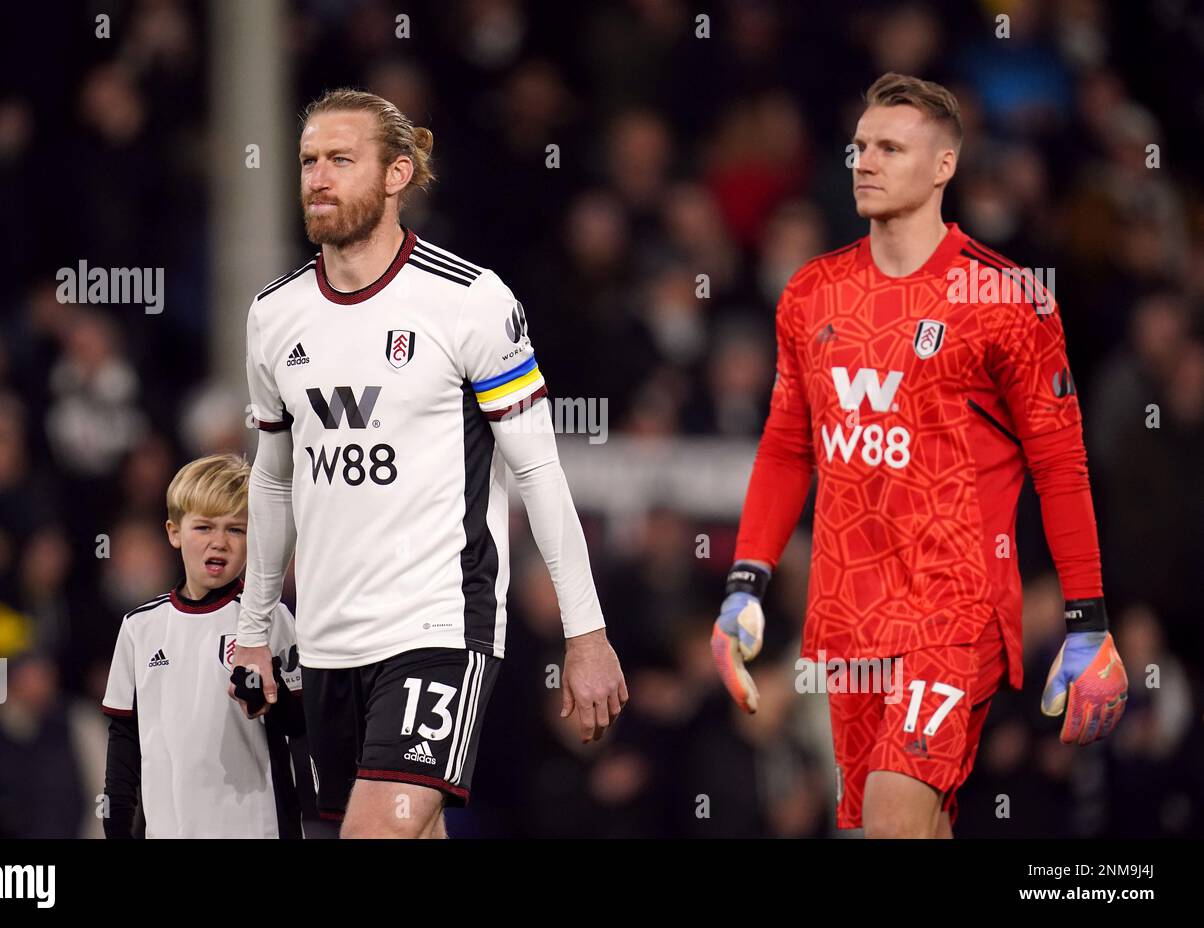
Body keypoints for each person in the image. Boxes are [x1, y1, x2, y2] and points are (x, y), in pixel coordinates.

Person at [711, 73, 1128, 838]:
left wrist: (1088, 621)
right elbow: (784, 448)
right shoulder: (811, 293)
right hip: (846, 615)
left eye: (890, 148)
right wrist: (747, 581)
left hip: (953, 610)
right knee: (909, 826)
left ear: (944, 167)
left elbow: (1061, 467)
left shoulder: (1007, 300)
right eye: (860, 146)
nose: (864, 161)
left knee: (894, 819)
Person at [235, 89, 627, 838]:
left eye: (341, 160)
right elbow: (274, 475)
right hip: (325, 641)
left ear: (396, 175)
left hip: (438, 627)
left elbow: (539, 474)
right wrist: (256, 629)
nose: (318, 177)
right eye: (309, 160)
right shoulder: (274, 315)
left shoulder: (469, 302)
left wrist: (587, 633)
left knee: (377, 833)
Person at [102, 452, 305, 838]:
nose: (219, 542)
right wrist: (116, 830)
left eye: (236, 530)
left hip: (256, 829)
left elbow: (301, 727)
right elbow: (124, 742)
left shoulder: (270, 620)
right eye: (204, 527)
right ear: (174, 532)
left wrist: (269, 693)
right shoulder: (139, 628)